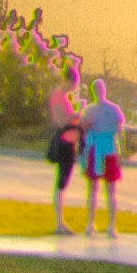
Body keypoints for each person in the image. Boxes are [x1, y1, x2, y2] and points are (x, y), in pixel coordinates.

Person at [78, 77, 128, 244]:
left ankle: (112, 225)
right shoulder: (89, 110)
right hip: (94, 149)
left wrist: (121, 151)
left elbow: (120, 131)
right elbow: (84, 131)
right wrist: (83, 153)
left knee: (111, 189)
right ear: (93, 91)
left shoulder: (114, 109)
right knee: (92, 187)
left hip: (109, 150)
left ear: (105, 90)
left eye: (101, 89)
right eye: (96, 89)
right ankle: (91, 224)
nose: (99, 92)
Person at [47, 77, 82, 238]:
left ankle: (60, 223)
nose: (73, 88)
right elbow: (61, 121)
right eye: (73, 84)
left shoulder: (62, 96)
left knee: (62, 183)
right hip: (64, 143)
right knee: (60, 183)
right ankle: (59, 224)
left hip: (69, 142)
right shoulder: (59, 96)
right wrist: (75, 117)